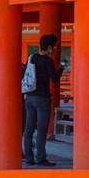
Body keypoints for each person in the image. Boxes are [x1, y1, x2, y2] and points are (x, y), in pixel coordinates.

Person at [22, 34, 63, 166]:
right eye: (54, 47)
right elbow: (55, 79)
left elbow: (25, 75)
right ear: (49, 47)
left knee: (28, 128)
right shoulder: (47, 61)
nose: (54, 50)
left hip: (29, 97)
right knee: (41, 129)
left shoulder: (31, 58)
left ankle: (28, 157)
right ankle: (40, 158)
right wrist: (61, 68)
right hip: (42, 99)